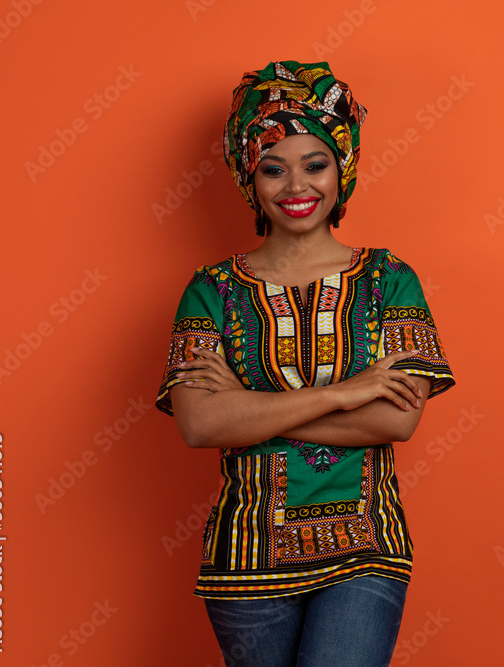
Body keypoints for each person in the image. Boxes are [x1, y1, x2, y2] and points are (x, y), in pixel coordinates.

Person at [155, 60, 456, 667]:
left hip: (366, 550)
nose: (297, 186)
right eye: (273, 168)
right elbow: (198, 426)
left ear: (341, 167)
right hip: (245, 556)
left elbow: (395, 422)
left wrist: (248, 408)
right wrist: (345, 393)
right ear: (250, 178)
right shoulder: (211, 290)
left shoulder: (389, 280)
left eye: (315, 164)